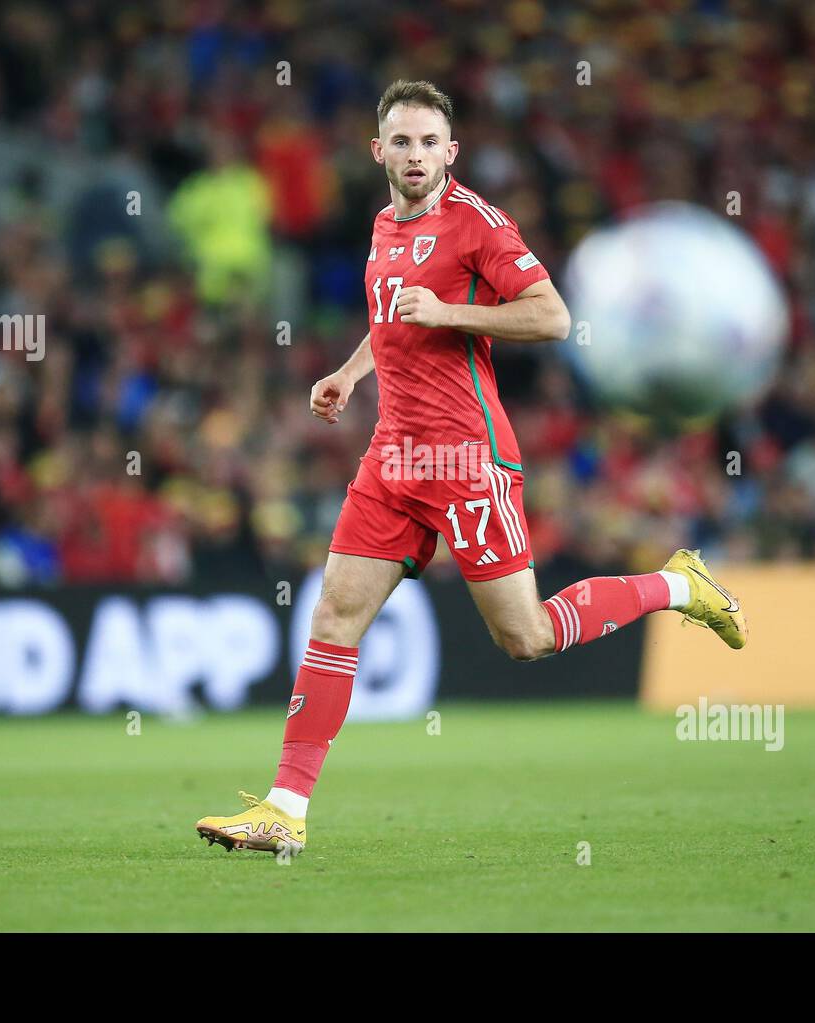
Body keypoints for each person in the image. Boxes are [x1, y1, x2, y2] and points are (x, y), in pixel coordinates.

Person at [197, 80, 746, 856]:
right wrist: (353, 373)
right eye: (402, 142)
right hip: (393, 455)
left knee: (525, 637)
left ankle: (679, 584)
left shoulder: (479, 225)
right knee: (334, 617)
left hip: (464, 457)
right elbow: (395, 317)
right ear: (378, 150)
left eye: (429, 143)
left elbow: (553, 315)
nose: (415, 156)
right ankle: (285, 809)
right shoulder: (385, 226)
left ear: (449, 152)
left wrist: (455, 311)